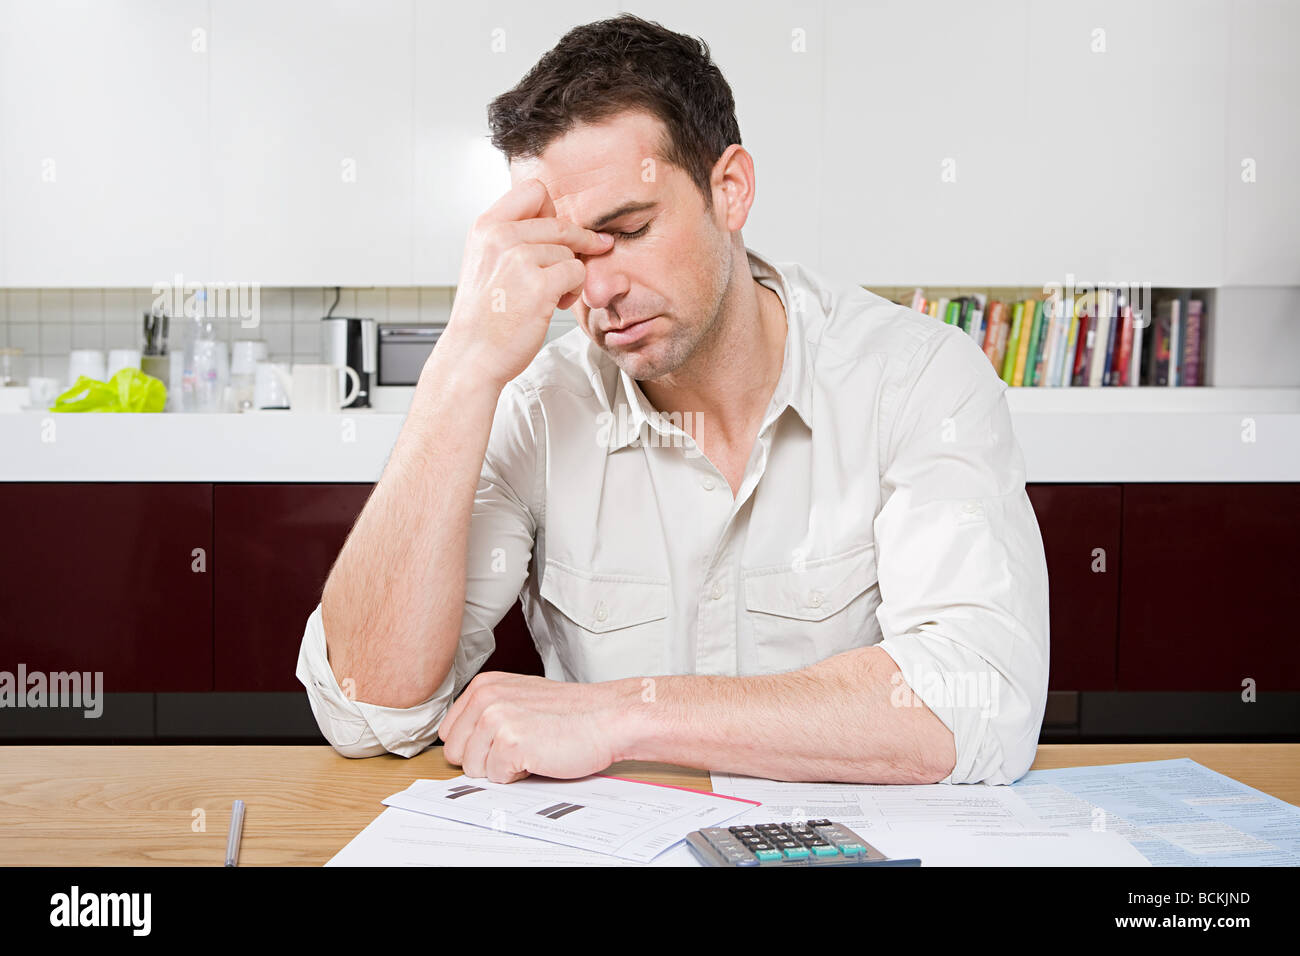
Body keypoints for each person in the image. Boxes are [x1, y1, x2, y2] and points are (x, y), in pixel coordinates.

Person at [296, 14, 1049, 786]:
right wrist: (461, 366)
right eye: (568, 250)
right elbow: (366, 710)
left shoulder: (917, 379)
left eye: (628, 229)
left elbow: (981, 698)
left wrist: (624, 713)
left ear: (730, 190)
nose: (597, 290)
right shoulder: (535, 409)